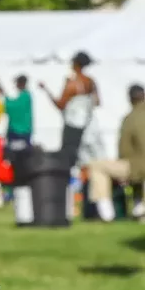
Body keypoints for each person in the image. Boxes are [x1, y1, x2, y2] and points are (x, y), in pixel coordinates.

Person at [84, 85, 145, 222]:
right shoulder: (133, 116)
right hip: (136, 165)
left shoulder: (132, 118)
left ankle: (107, 213)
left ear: (130, 98)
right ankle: (138, 207)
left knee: (97, 166)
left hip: (135, 166)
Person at [41, 52, 98, 167]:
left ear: (76, 64)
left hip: (72, 125)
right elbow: (97, 102)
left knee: (68, 157)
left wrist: (46, 91)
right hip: (87, 123)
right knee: (84, 155)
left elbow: (60, 105)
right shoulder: (91, 82)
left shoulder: (72, 83)